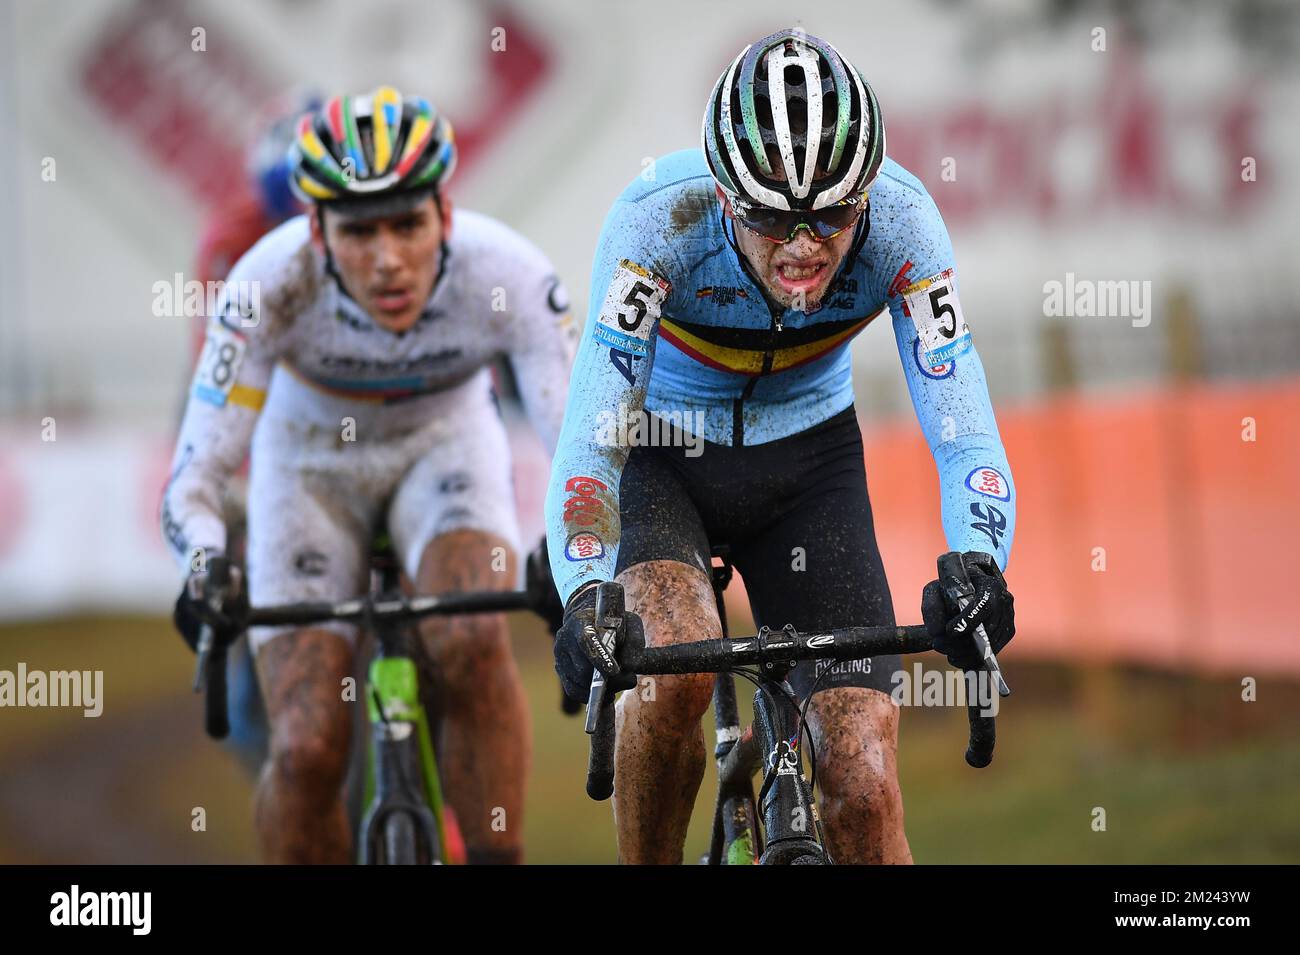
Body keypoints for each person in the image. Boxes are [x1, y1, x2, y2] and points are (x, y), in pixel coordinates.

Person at [546, 30, 1017, 864]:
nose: (803, 247)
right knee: (672, 672)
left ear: (867, 193)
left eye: (832, 215)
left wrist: (979, 560)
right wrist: (587, 588)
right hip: (662, 458)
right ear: (726, 197)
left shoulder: (906, 225)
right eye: (770, 217)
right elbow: (593, 432)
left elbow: (961, 418)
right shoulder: (657, 219)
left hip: (809, 468)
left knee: (864, 777)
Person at [164, 86, 576, 864]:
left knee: (470, 638)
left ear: (445, 217)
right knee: (309, 740)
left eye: (408, 225)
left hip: (447, 449)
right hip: (309, 465)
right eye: (358, 232)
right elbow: (199, 472)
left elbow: (578, 446)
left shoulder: (511, 272)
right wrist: (205, 563)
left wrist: (576, 546)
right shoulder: (264, 283)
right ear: (314, 231)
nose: (387, 259)